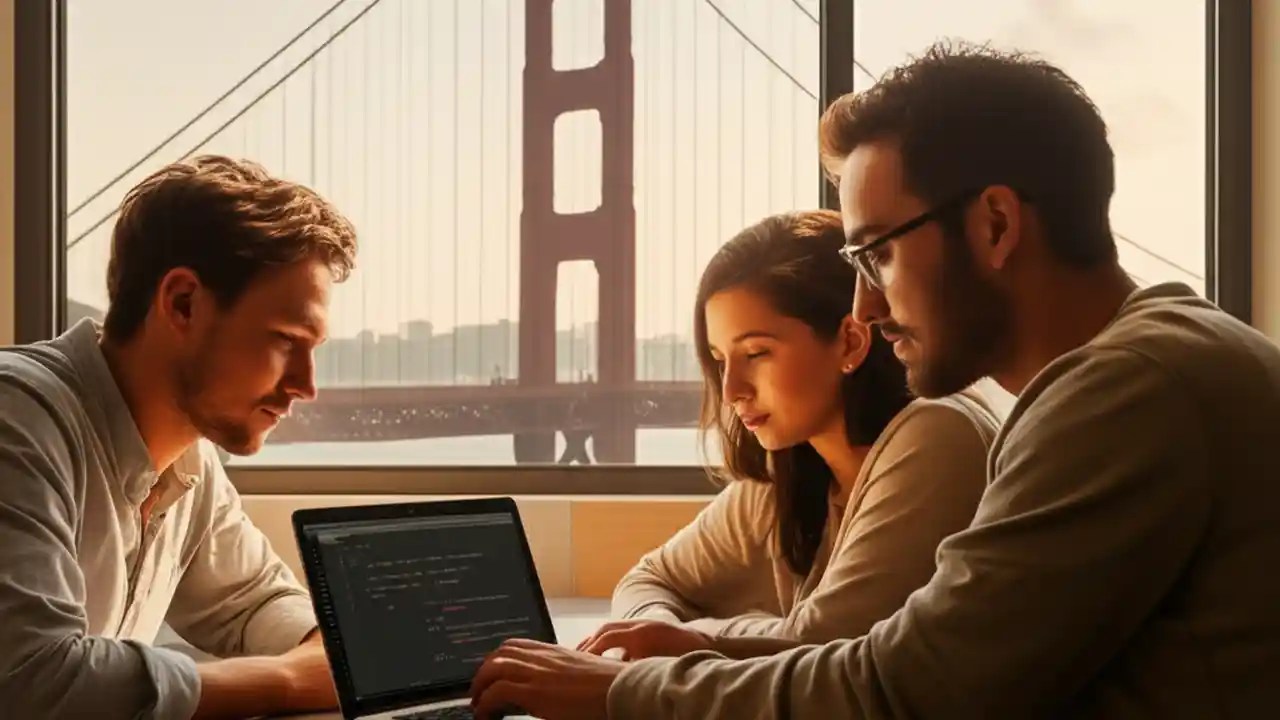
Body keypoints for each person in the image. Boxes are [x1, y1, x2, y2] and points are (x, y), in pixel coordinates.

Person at [469, 41, 1280, 719]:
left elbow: (909, 687)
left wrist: (628, 692)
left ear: (995, 225)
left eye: (877, 254)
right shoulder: (1150, 363)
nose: (864, 305)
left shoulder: (1129, 391)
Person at [0, 155, 359, 719]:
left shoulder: (188, 454)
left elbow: (253, 602)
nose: (306, 386)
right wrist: (290, 679)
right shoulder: (15, 419)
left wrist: (329, 650)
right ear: (181, 303)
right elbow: (33, 681)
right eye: (286, 341)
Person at [574, 210, 998, 662]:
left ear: (851, 343)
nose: (732, 391)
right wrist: (672, 637)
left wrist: (697, 640)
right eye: (720, 360)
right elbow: (648, 580)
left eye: (757, 353)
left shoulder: (938, 437)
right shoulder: (792, 467)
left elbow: (822, 649)